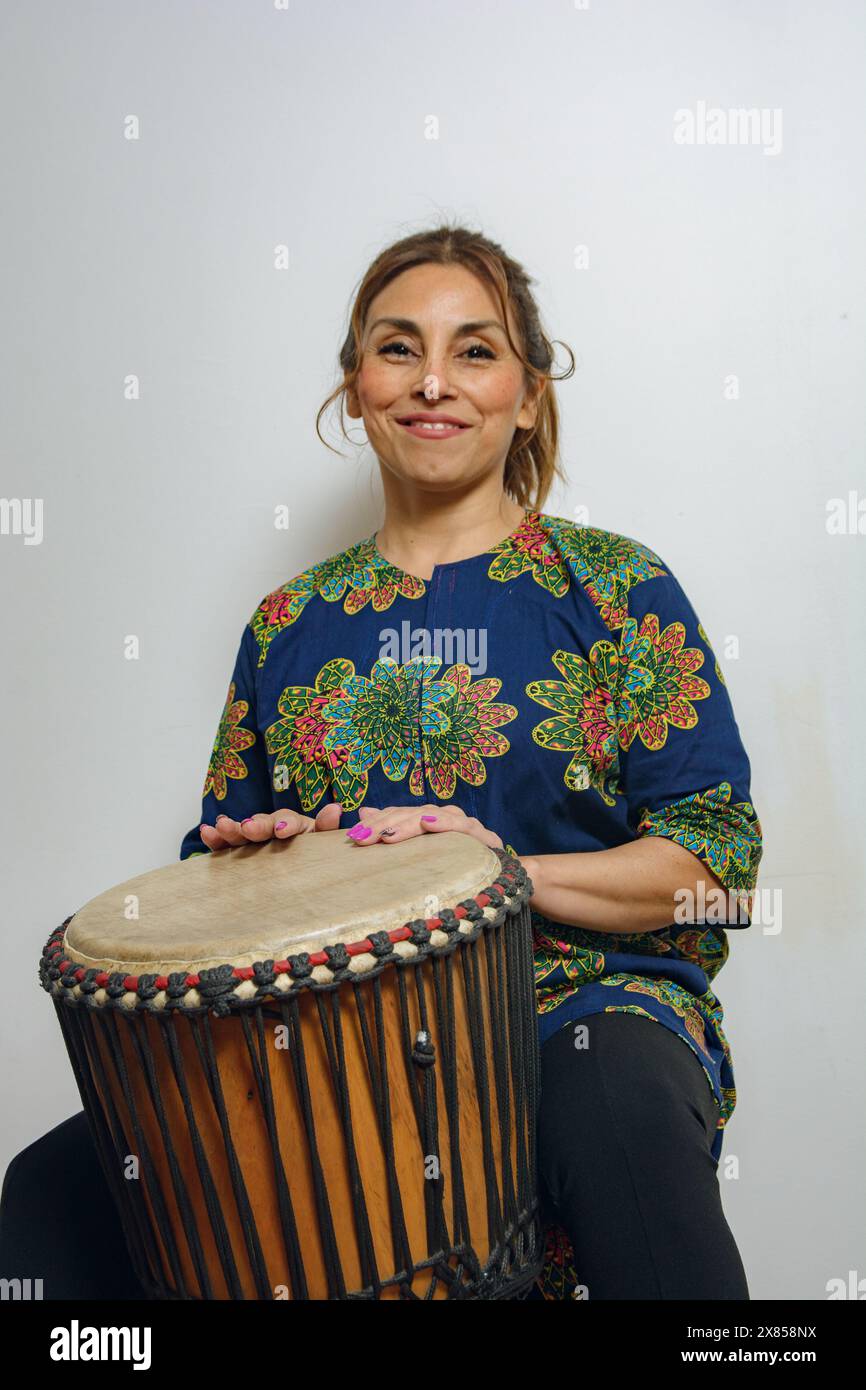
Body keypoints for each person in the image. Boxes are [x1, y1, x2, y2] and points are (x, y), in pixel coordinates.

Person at [1, 223, 762, 1300]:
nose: (433, 381)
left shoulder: (614, 591)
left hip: (576, 1009)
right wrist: (259, 859)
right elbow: (207, 901)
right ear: (354, 389)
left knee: (618, 1113)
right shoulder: (286, 626)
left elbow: (717, 869)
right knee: (52, 1185)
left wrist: (503, 872)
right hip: (324, 1041)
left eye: (476, 349)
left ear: (528, 394)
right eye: (398, 349)